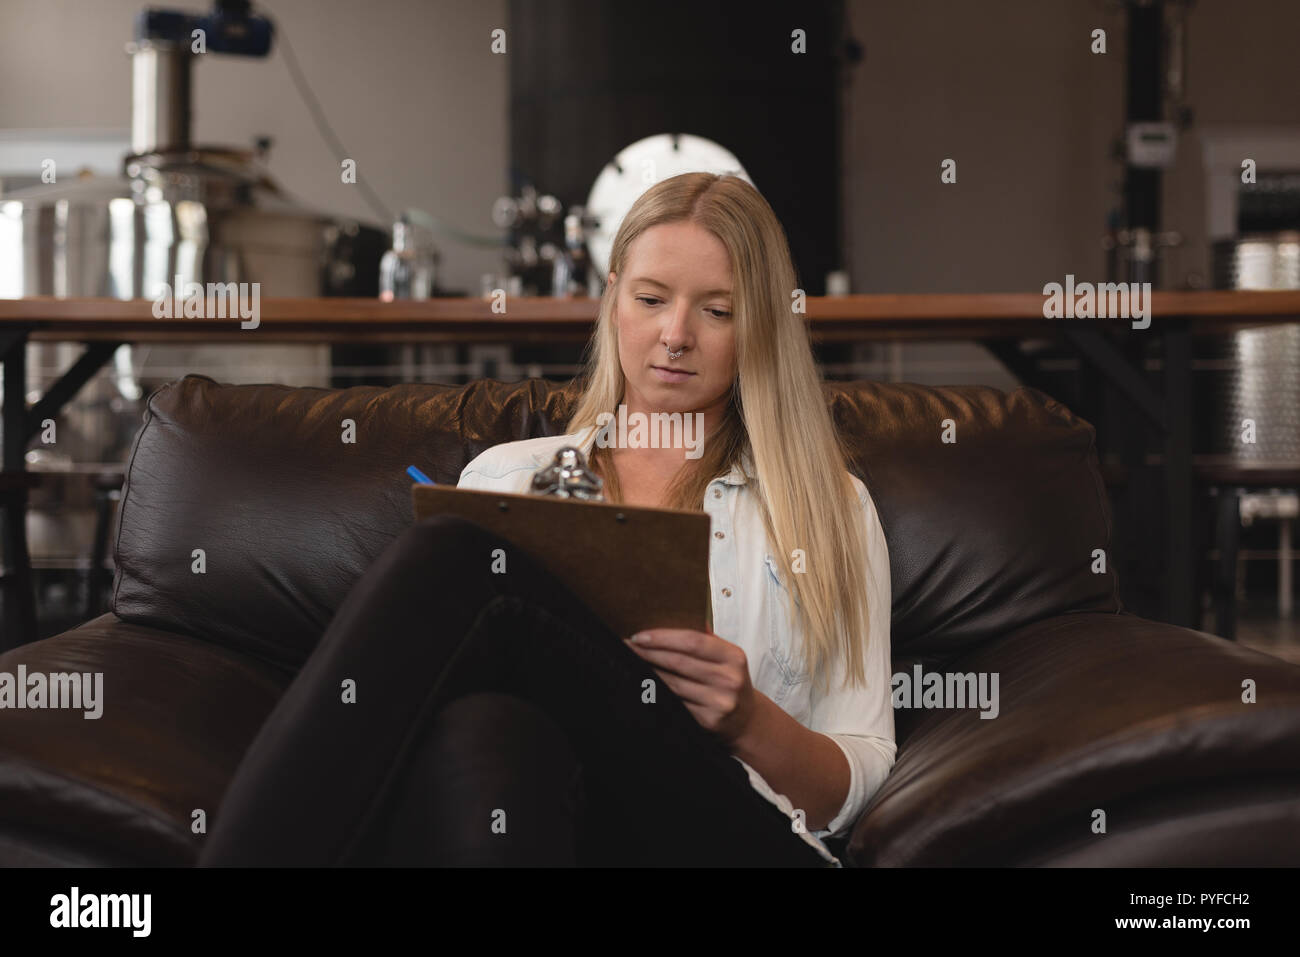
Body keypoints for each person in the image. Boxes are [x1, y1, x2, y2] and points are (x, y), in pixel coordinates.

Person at [198, 171, 893, 868]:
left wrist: (748, 718)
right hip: (558, 818)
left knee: (456, 555)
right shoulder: (507, 477)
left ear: (761, 325)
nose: (675, 334)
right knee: (485, 730)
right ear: (613, 296)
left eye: (717, 311)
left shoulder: (826, 506)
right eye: (650, 299)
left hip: (731, 834)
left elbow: (857, 779)